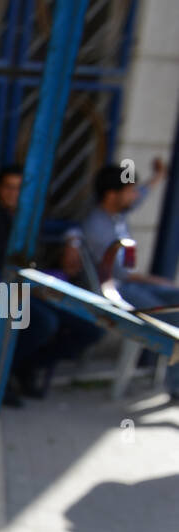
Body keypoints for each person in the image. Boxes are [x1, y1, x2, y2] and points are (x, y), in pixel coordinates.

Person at [0, 163, 97, 405]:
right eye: (9, 187)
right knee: (43, 322)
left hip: (28, 290)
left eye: (20, 188)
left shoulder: (29, 215)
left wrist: (72, 242)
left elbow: (70, 225)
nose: (14, 194)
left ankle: (25, 366)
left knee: (89, 325)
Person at [81, 159, 179, 399]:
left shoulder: (117, 214)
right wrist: (160, 282)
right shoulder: (98, 227)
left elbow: (142, 194)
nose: (135, 195)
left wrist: (156, 177)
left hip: (131, 286)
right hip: (117, 291)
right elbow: (123, 273)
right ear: (112, 195)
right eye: (129, 191)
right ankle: (175, 386)